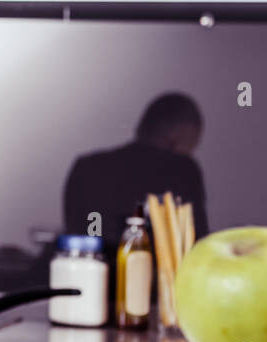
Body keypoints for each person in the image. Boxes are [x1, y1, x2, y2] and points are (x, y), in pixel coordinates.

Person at [63, 92, 210, 299]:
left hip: (84, 291)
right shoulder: (183, 170)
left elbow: (76, 233)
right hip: (148, 298)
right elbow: (196, 248)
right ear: (181, 132)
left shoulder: (87, 167)